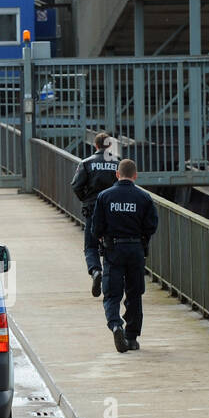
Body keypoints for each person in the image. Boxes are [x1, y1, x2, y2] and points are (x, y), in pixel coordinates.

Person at [92, 159, 159, 353]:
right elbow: (151, 225)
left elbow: (96, 227)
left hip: (113, 250)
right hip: (136, 249)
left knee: (112, 293)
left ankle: (115, 325)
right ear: (135, 175)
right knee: (134, 294)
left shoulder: (104, 196)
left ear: (117, 174)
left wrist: (104, 238)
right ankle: (131, 337)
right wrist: (141, 239)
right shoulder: (144, 197)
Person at [70, 132, 120, 297]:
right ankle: (110, 279)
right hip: (114, 210)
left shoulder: (86, 163)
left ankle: (95, 270)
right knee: (112, 245)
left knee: (91, 245)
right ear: (109, 146)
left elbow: (76, 185)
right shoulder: (117, 164)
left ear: (96, 145)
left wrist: (86, 199)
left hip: (93, 209)